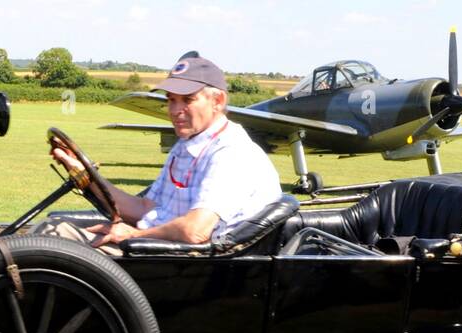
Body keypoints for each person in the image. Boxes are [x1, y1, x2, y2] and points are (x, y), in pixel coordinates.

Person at [32, 55, 283, 255]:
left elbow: (195, 231)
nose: (175, 110)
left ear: (217, 100)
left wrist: (132, 235)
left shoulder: (231, 152)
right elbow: (144, 209)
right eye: (171, 100)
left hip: (183, 263)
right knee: (50, 228)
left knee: (49, 243)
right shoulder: (187, 144)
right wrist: (87, 177)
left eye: (187, 100)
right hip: (158, 249)